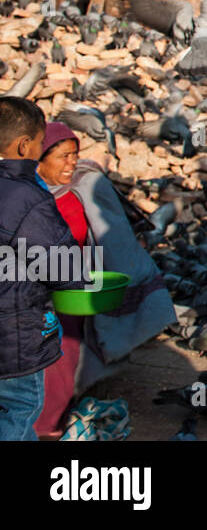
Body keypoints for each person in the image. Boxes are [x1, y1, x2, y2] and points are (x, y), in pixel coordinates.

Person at [0, 97, 79, 441]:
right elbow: (62, 268)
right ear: (23, 145)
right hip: (11, 338)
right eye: (39, 142)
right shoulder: (28, 198)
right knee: (18, 411)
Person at [33, 123, 88, 437]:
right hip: (31, 298)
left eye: (74, 156)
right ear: (40, 159)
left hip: (67, 298)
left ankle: (50, 426)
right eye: (63, 156)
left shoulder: (72, 197)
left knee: (62, 365)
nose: (72, 163)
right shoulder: (24, 199)